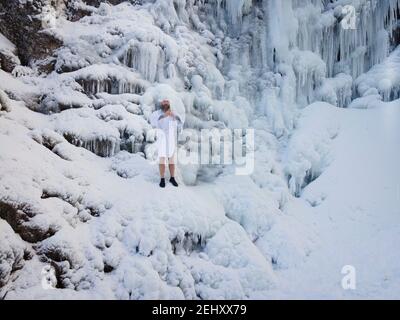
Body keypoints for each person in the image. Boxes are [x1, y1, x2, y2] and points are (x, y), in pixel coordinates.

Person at [150, 99, 184, 188]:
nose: (165, 104)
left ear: (169, 104)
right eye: (164, 103)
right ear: (161, 104)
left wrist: (175, 117)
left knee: (172, 160)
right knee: (162, 160)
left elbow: (180, 123)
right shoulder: (157, 114)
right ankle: (162, 179)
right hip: (162, 140)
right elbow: (154, 123)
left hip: (171, 140)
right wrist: (164, 115)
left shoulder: (173, 113)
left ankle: (172, 178)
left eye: (167, 103)